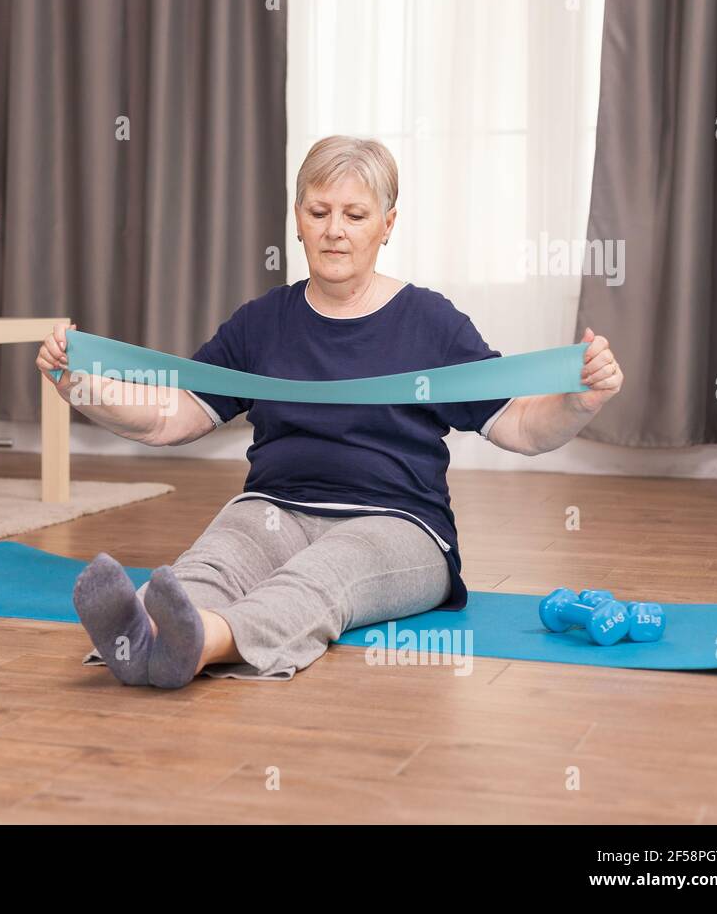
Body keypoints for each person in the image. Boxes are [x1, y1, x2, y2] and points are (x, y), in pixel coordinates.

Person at [35, 135, 624, 688]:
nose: (334, 230)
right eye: (319, 212)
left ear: (387, 225)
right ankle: (143, 637)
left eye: (355, 215)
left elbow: (518, 424)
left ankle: (198, 642)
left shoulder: (431, 323)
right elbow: (171, 416)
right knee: (209, 566)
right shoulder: (263, 321)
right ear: (297, 219)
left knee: (319, 578)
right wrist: (83, 388)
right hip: (275, 509)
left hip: (397, 524)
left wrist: (578, 402)